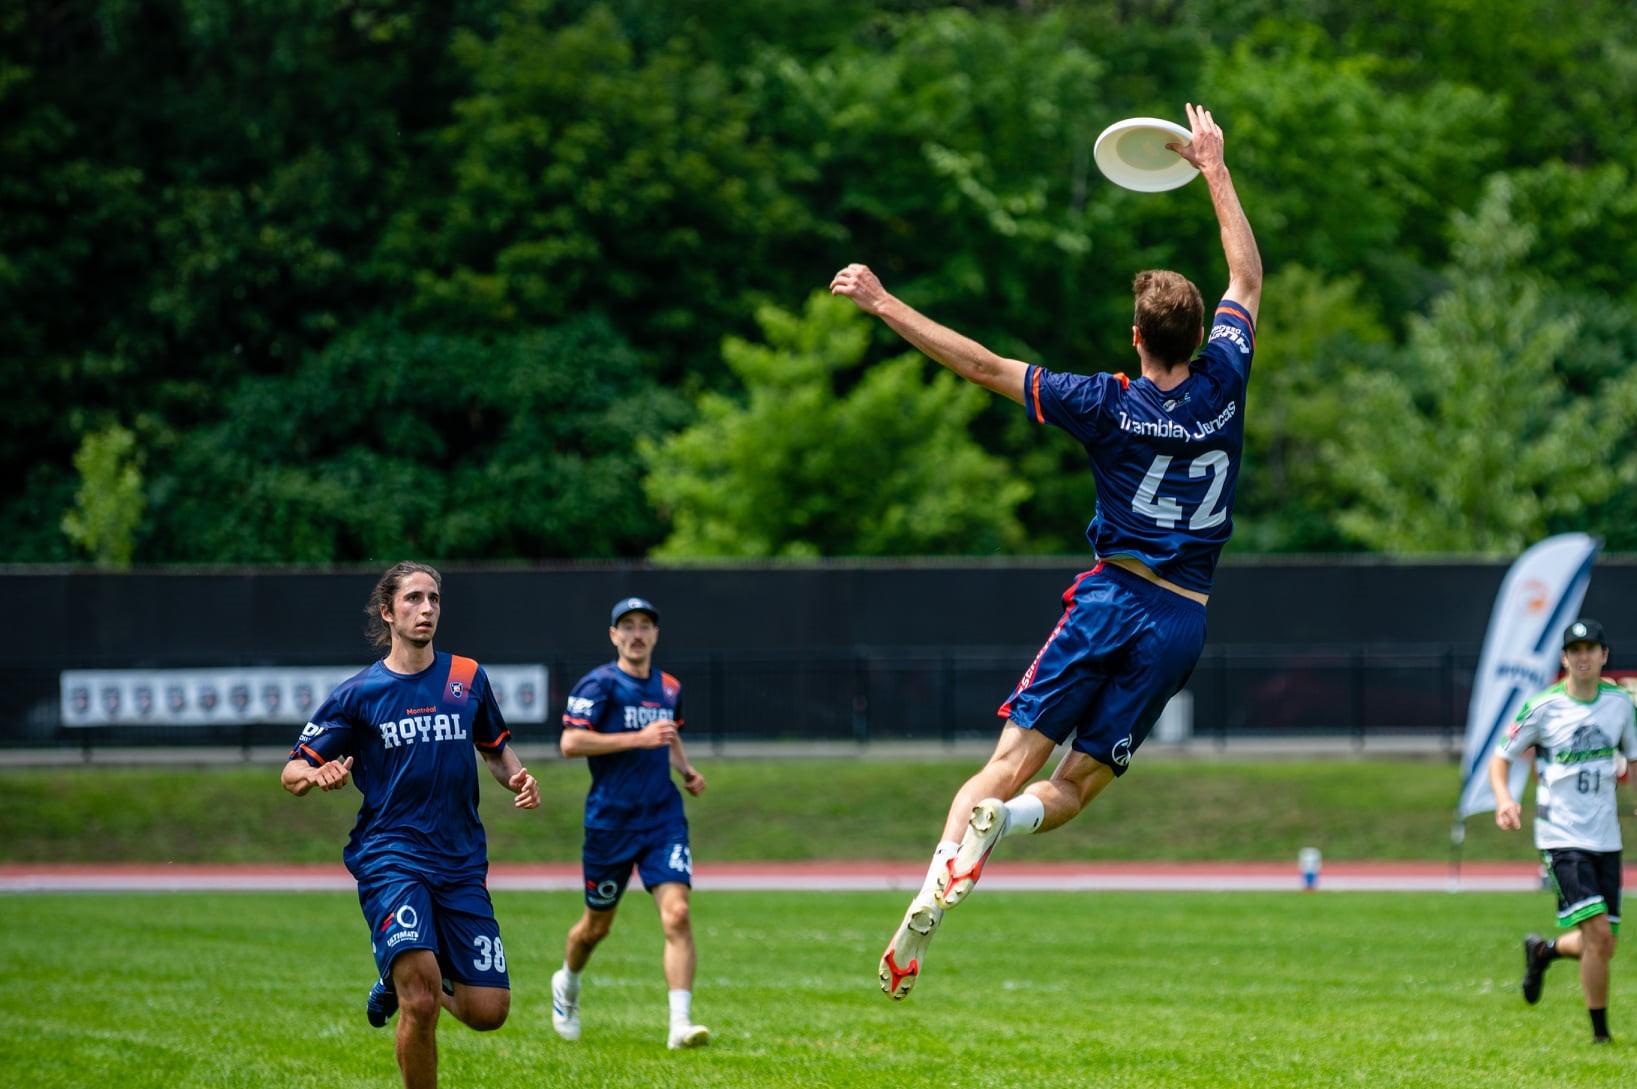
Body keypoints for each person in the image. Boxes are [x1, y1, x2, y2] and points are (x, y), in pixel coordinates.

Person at [829, 101, 1262, 1000]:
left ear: (1137, 338)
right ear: (1197, 336)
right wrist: (1213, 167)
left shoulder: (1102, 401)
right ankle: (1008, 822)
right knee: (1071, 790)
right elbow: (1246, 278)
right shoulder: (1226, 378)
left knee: (998, 761)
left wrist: (881, 302)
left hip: (1111, 598)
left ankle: (926, 904)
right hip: (1182, 622)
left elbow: (984, 365)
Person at [281, 561, 540, 1088]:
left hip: (460, 858)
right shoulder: (359, 694)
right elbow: (290, 770)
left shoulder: (467, 677)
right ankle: (409, 979)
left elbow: (494, 751)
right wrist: (317, 772)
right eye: (413, 599)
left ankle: (397, 977)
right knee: (420, 1002)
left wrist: (518, 778)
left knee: (489, 1010)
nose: (426, 609)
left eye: (434, 599)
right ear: (388, 612)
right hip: (390, 855)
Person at [551, 596, 711, 1049]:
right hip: (610, 824)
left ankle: (679, 1025)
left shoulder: (669, 687)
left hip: (662, 818)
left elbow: (669, 735)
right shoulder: (599, 685)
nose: (637, 633)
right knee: (595, 928)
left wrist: (686, 770)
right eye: (628, 626)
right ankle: (567, 984)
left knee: (677, 915)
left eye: (645, 626)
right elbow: (570, 742)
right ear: (614, 635)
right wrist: (637, 738)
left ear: (655, 634)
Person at [1490, 617, 1637, 1044]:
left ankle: (1543, 951)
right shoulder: (1543, 706)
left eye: (1591, 649)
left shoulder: (1620, 705)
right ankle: (1601, 1037)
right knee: (1600, 934)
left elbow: (1634, 756)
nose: (1583, 656)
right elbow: (1501, 757)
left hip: (1606, 837)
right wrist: (1504, 798)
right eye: (1575, 651)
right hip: (1561, 837)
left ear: (1604, 655)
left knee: (1603, 943)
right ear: (1564, 659)